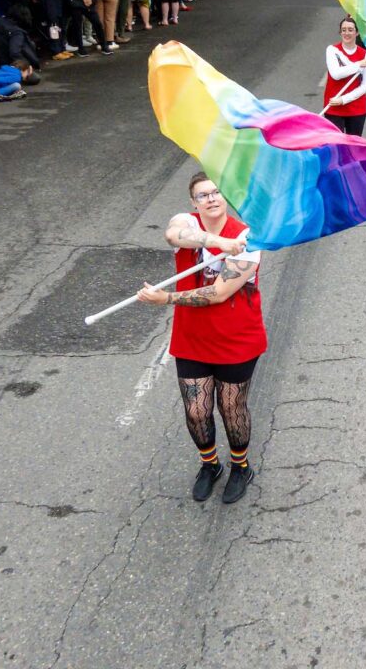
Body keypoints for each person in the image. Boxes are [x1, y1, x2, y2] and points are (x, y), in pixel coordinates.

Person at [135, 173, 266, 504]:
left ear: (226, 197)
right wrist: (218, 243)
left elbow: (218, 293)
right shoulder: (187, 223)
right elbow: (174, 234)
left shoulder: (249, 238)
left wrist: (165, 299)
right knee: (196, 410)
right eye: (202, 195)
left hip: (237, 338)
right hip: (192, 337)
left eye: (217, 192)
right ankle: (210, 465)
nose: (211, 198)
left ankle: (241, 466)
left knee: (230, 406)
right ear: (194, 202)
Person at [323, 15, 366, 135]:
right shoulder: (332, 50)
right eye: (344, 30)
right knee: (336, 148)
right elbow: (336, 74)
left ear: (357, 33)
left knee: (354, 149)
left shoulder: (365, 55)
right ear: (340, 32)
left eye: (350, 30)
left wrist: (343, 99)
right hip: (333, 108)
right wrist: (359, 64)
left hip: (356, 109)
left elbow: (365, 85)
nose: (347, 33)